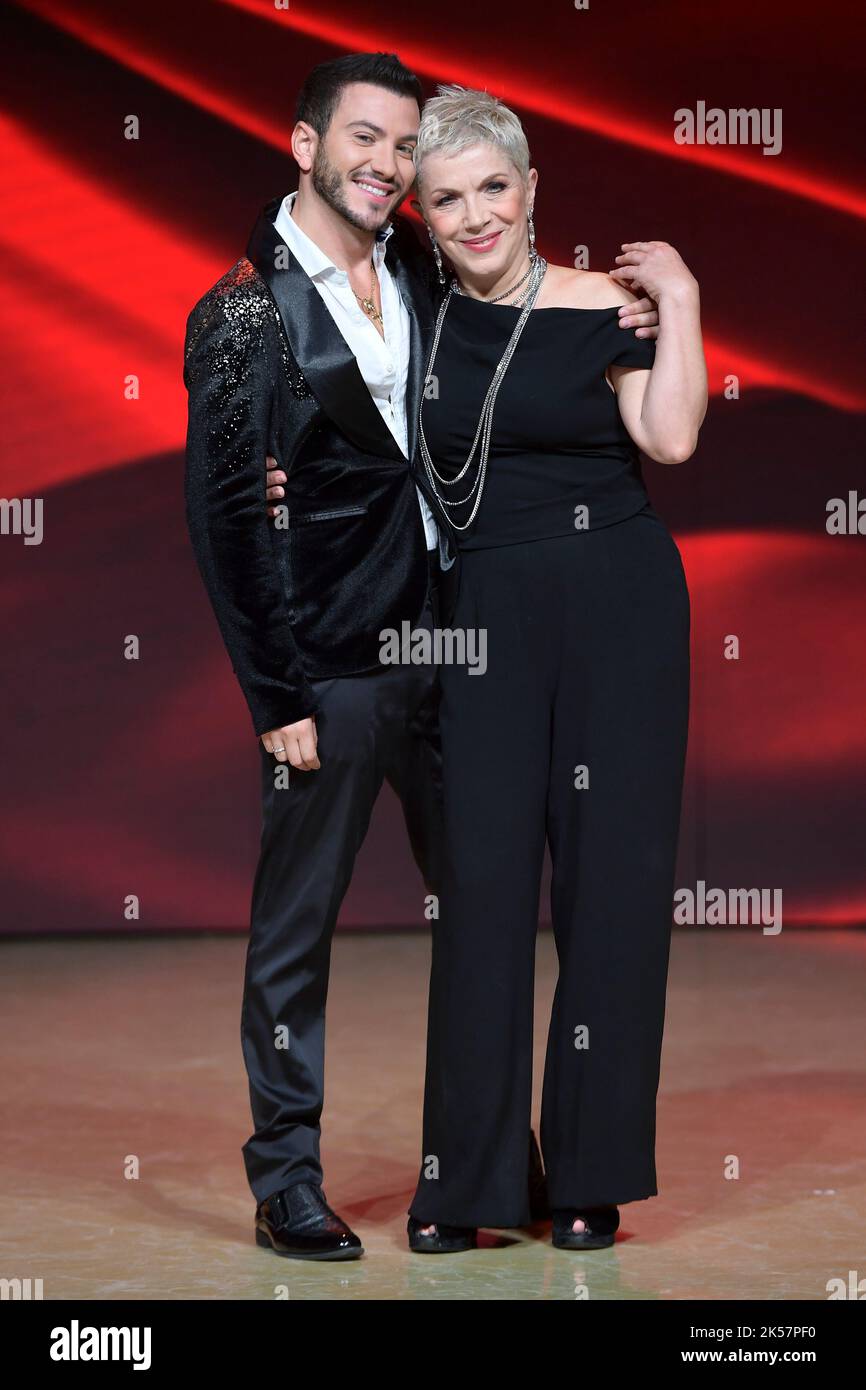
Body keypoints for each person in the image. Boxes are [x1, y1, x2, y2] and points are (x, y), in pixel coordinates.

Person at [186, 51, 663, 1262]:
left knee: (485, 908)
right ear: (303, 144)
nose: (388, 167)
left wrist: (637, 309)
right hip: (326, 664)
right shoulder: (239, 310)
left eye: (402, 147)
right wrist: (272, 692)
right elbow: (225, 515)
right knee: (297, 927)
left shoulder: (414, 261)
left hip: (452, 646)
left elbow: (518, 312)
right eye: (364, 140)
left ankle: (499, 1160)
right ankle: (286, 1174)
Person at [404, 85, 707, 1253]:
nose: (475, 214)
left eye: (493, 186)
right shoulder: (415, 318)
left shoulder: (608, 311)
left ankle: (588, 1175)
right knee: (477, 891)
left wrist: (679, 299)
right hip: (479, 612)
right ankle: (464, 1183)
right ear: (422, 219)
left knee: (612, 888)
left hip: (617, 605)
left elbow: (671, 437)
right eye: (448, 198)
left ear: (531, 190)